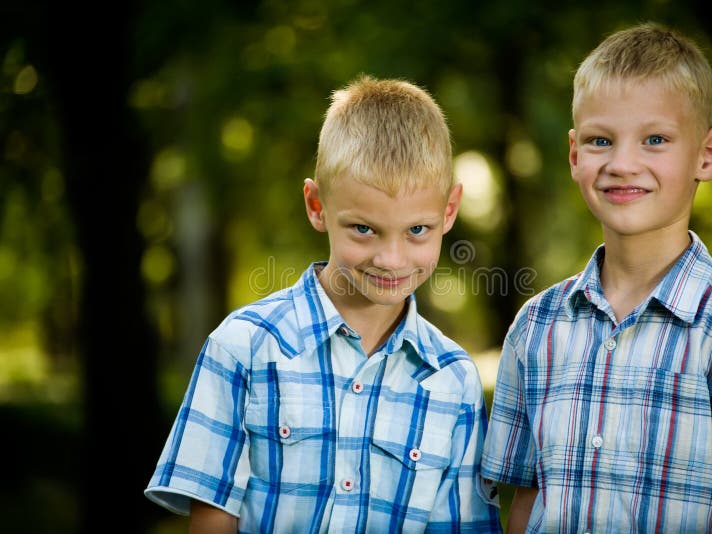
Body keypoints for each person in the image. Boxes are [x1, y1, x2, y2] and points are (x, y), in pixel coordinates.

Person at [144, 75, 501, 533]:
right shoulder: (242, 348)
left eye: (417, 230)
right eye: (364, 229)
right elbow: (212, 521)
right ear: (316, 206)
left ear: (449, 210)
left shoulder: (454, 380)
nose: (391, 259)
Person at [481, 22, 712, 533]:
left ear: (708, 154)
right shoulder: (535, 326)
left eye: (655, 140)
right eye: (601, 140)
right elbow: (526, 497)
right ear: (575, 155)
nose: (622, 163)